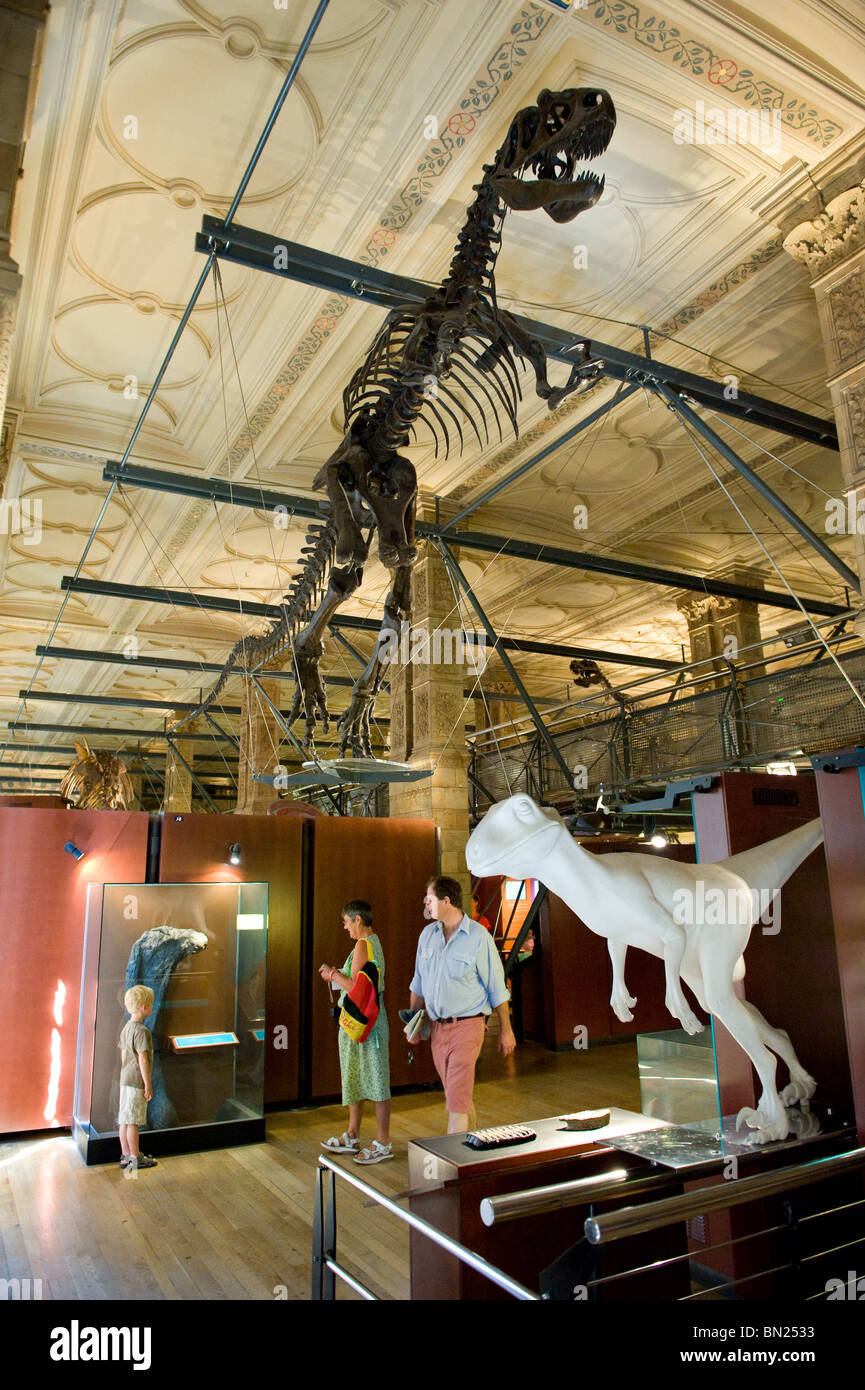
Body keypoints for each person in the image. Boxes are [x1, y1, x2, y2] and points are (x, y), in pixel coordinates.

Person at [410, 875, 516, 1134]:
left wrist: (507, 1030)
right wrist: (414, 1022)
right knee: (459, 1098)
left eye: (430, 899)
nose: (427, 904)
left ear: (446, 900)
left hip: (468, 1027)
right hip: (437, 1029)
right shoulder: (427, 936)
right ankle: (474, 1154)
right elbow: (418, 983)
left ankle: (452, 1168)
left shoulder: (479, 937)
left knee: (456, 1104)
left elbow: (496, 987)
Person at [319, 900, 392, 1164]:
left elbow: (353, 986)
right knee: (361, 1075)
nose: (346, 927)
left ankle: (381, 1141)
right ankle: (353, 1134)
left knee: (375, 1078)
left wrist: (331, 975)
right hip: (368, 1021)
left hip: (364, 1024)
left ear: (358, 919)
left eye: (347, 922)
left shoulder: (363, 944)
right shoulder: (374, 942)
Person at [118, 984, 156, 1173]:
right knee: (132, 1120)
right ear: (144, 1007)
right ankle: (135, 1157)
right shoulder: (142, 1031)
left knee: (124, 1119)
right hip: (135, 1081)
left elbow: (124, 1055)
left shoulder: (126, 1028)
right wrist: (147, 1083)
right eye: (151, 1005)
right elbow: (142, 1057)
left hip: (125, 1079)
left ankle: (126, 1156)